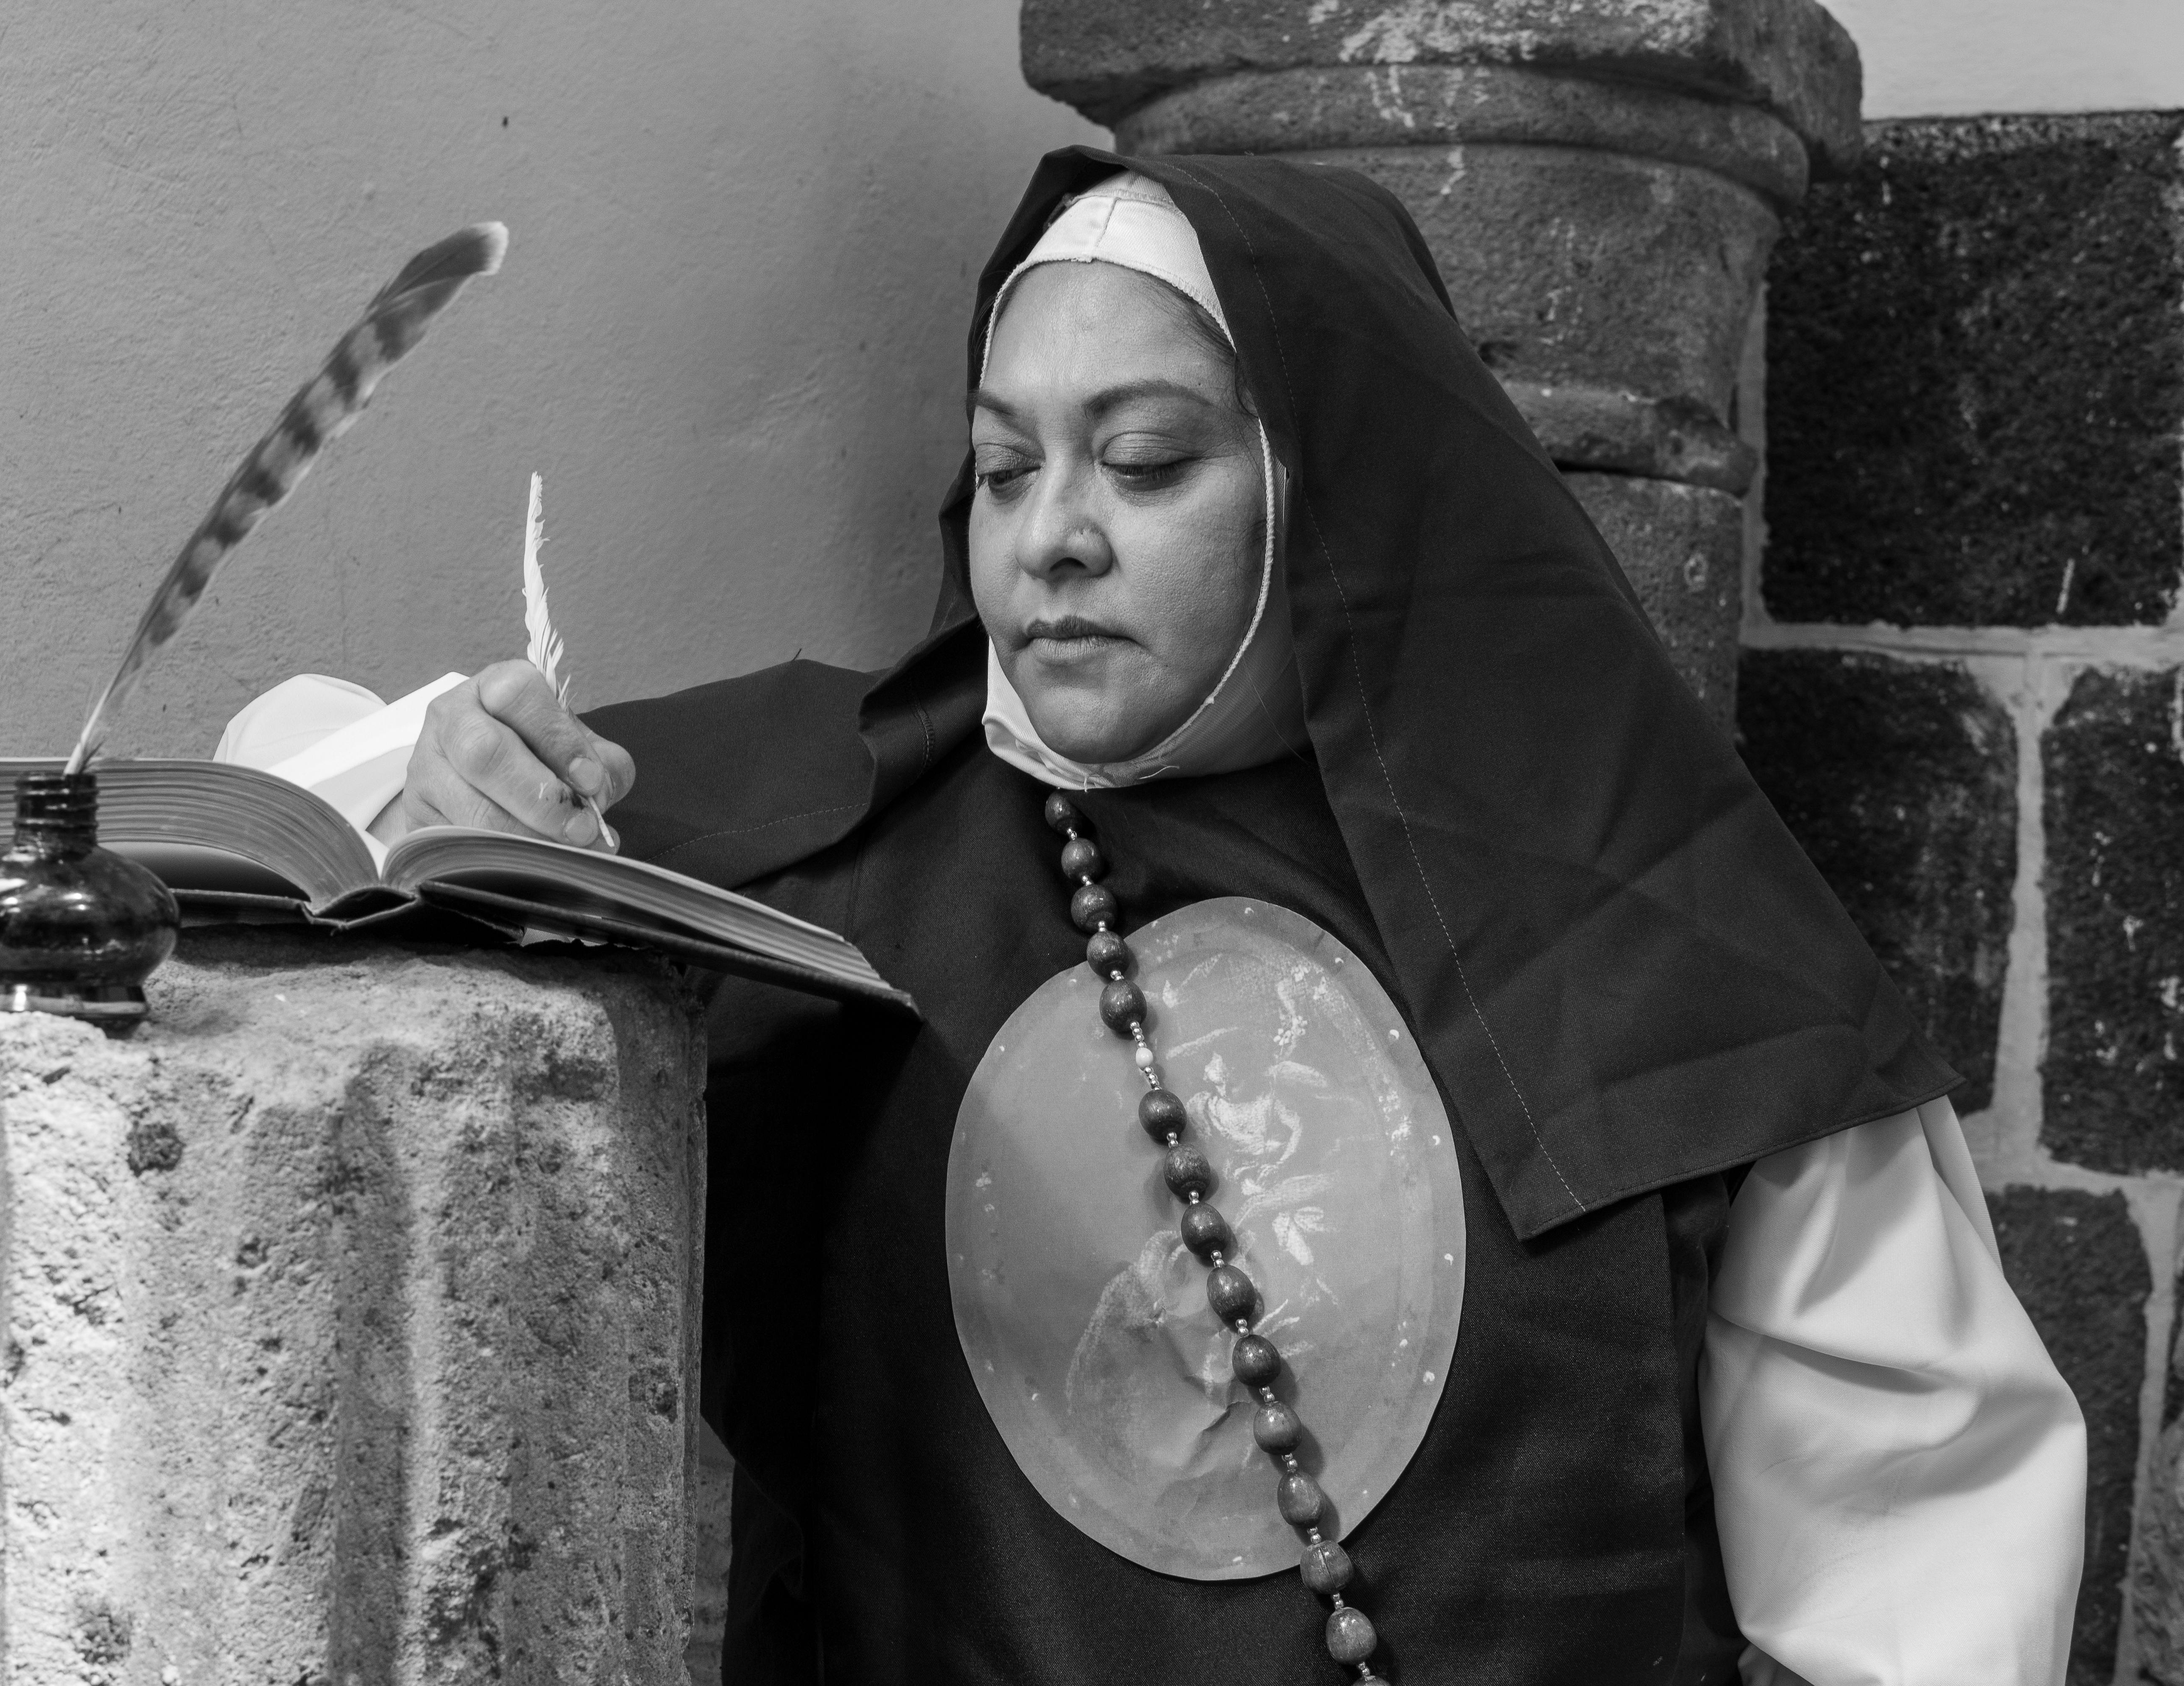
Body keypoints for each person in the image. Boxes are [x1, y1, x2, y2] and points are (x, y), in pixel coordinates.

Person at [369, 150, 2084, 1683]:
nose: (1051, 540)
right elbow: (302, 806)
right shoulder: (838, 830)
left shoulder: (1666, 944)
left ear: (1329, 490)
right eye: (1003, 465)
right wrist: (453, 796)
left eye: (1143, 460)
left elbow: (1929, 1583)